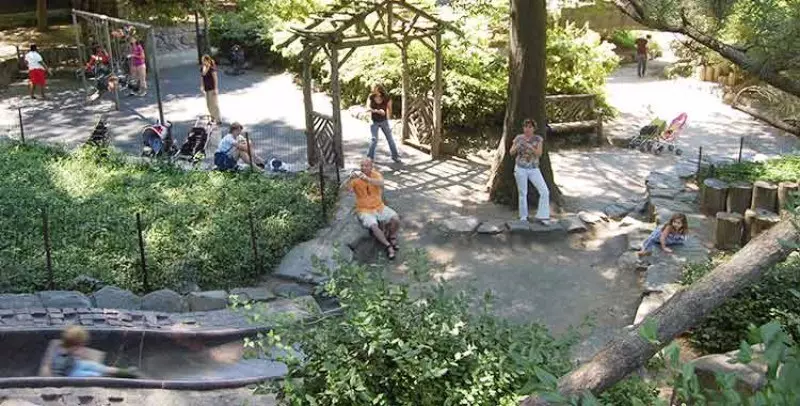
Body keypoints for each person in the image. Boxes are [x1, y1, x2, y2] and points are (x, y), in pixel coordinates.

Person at [344, 158, 400, 260]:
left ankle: (392, 237)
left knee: (395, 218)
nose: (363, 168)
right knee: (373, 225)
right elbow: (347, 190)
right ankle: (388, 246)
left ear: (371, 167)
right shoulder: (356, 179)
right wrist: (349, 179)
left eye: (366, 166)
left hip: (379, 206)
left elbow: (381, 183)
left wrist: (368, 179)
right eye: (362, 166)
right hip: (364, 209)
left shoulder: (376, 175)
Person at [50, 325, 139, 378]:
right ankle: (107, 379)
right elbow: (59, 374)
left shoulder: (68, 349)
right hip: (70, 375)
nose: (81, 348)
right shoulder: (61, 356)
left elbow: (74, 358)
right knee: (93, 374)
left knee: (95, 366)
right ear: (74, 344)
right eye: (79, 346)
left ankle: (125, 372)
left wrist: (76, 355)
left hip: (75, 365)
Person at [510, 118, 551, 225]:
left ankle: (543, 216)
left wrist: (530, 147)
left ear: (534, 128)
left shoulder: (538, 139)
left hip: (534, 169)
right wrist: (518, 145)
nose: (527, 129)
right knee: (523, 192)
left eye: (530, 127)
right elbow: (511, 152)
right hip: (520, 168)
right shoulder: (518, 138)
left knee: (544, 191)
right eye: (525, 127)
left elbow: (539, 154)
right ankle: (523, 217)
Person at [365, 84, 401, 163]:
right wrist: (377, 111)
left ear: (379, 89)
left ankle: (395, 156)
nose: (373, 90)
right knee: (374, 139)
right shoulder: (371, 97)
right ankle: (369, 158)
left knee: (390, 139)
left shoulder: (387, 98)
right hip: (374, 121)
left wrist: (388, 120)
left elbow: (389, 110)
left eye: (374, 88)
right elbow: (367, 109)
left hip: (384, 121)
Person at [200, 55, 221, 123]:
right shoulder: (203, 68)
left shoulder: (212, 68)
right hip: (206, 88)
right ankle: (212, 117)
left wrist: (215, 88)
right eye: (202, 61)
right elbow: (202, 77)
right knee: (208, 104)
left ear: (207, 60)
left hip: (212, 88)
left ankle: (218, 119)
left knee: (214, 104)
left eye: (204, 60)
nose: (203, 62)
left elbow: (215, 79)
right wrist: (202, 86)